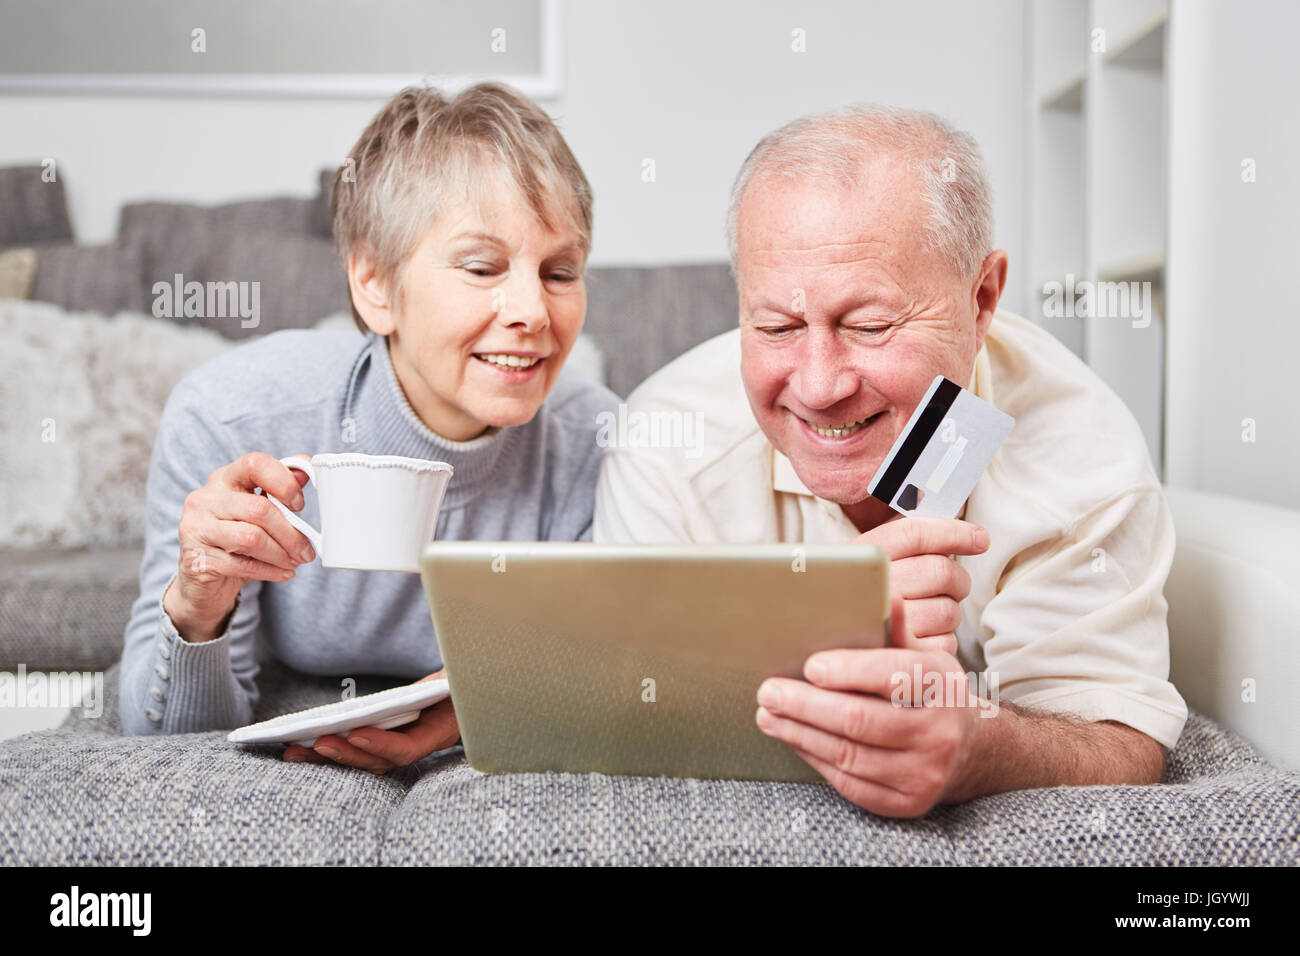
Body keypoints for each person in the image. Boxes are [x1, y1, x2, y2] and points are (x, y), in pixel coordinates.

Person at [594, 105, 1187, 817]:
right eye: (777, 327)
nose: (819, 386)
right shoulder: (667, 441)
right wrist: (806, 627)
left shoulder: (1081, 455)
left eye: (870, 326)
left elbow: (1119, 738)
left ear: (982, 298)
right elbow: (631, 705)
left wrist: (980, 746)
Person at [120, 83, 619, 777]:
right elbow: (165, 743)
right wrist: (197, 608)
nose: (533, 310)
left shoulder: (603, 447)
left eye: (560, 272)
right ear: (374, 284)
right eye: (482, 267)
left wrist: (478, 709)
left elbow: (617, 683)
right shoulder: (234, 415)